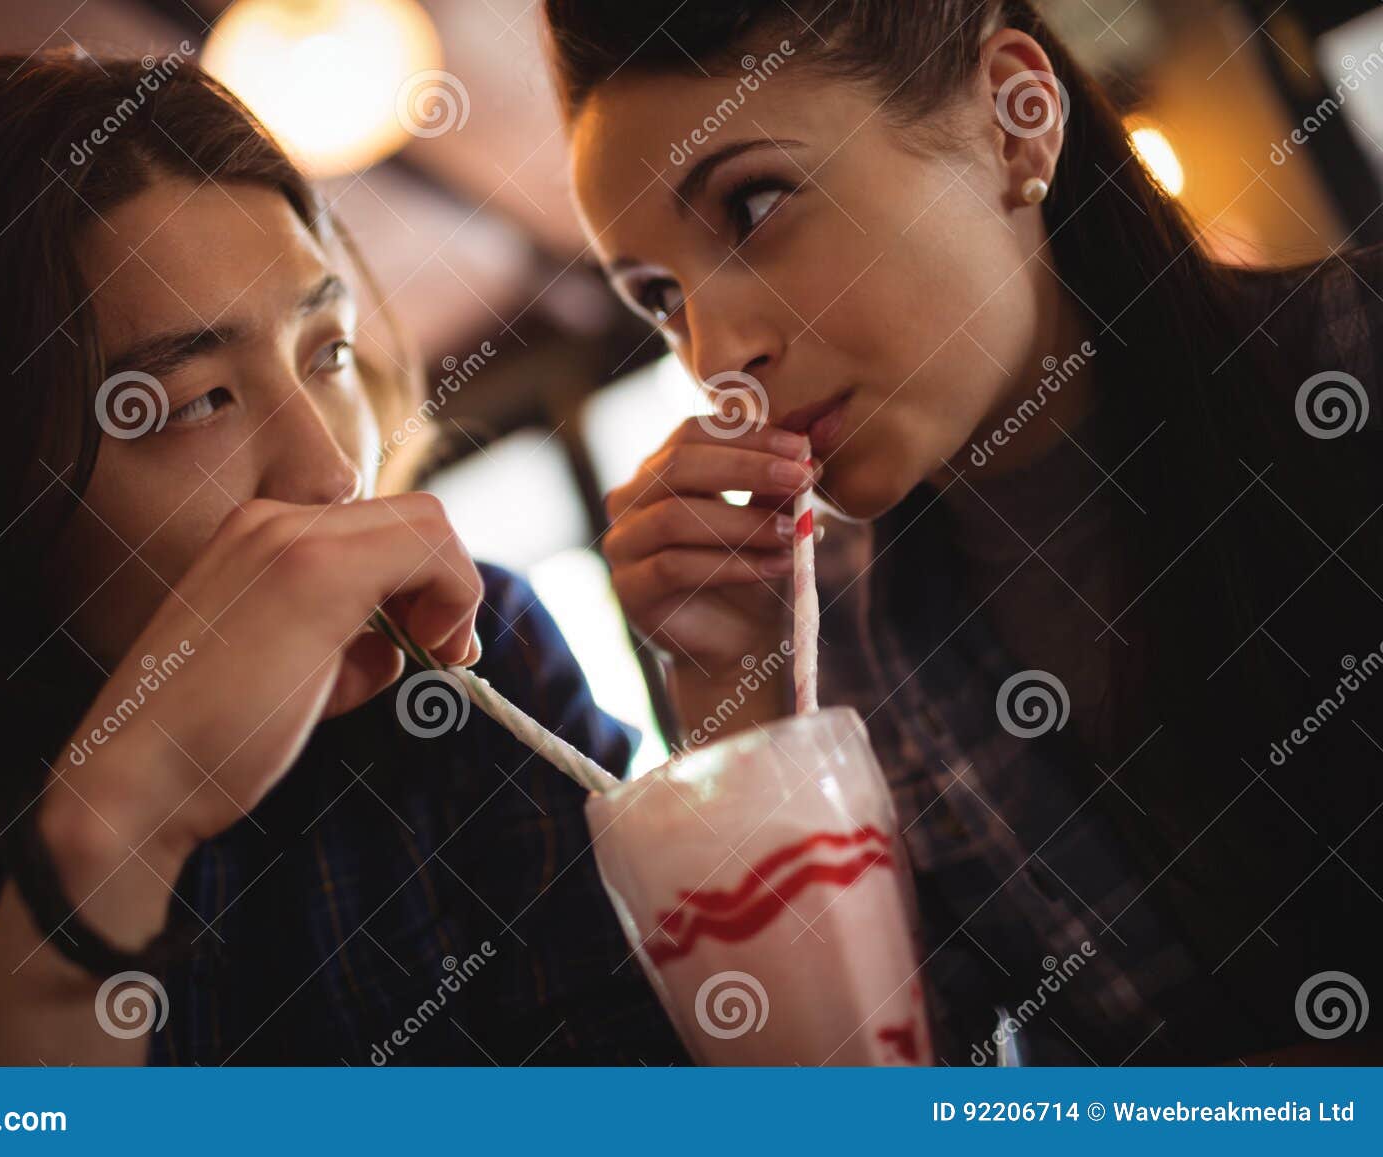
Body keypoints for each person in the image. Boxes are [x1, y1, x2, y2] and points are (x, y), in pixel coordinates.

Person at [0, 51, 684, 1066]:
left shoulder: (470, 666)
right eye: (189, 401)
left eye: (327, 352)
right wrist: (119, 820)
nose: (331, 471)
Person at [544, 0, 1383, 1063]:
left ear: (1011, 117)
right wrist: (751, 741)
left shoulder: (1354, 359)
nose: (717, 358)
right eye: (662, 298)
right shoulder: (841, 650)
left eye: (753, 206)